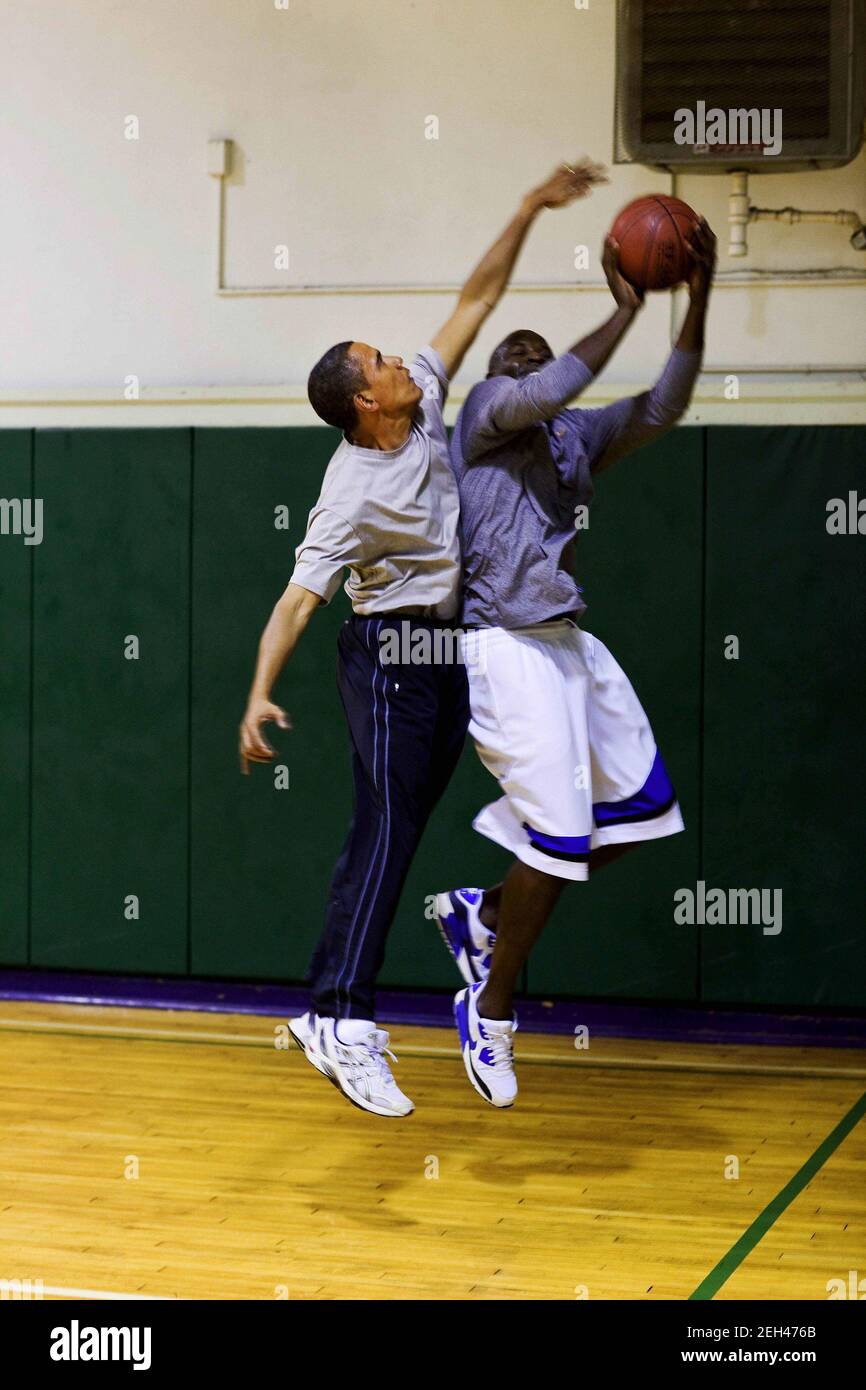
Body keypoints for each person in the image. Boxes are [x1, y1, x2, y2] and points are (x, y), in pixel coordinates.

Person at [238, 159, 607, 1117]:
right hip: (389, 651)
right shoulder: (349, 492)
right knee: (389, 828)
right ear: (367, 402)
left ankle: (360, 992)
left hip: (449, 648)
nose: (403, 360)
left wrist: (527, 206)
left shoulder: (427, 398)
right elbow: (297, 600)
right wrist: (259, 692)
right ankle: (342, 1018)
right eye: (382, 363)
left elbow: (475, 300)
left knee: (390, 829)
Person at [436, 218, 717, 1108]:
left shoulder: (570, 437)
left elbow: (662, 405)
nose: (527, 355)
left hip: (566, 645)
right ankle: (490, 1008)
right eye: (514, 352)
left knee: (633, 818)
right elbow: (556, 382)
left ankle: (485, 908)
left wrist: (698, 297)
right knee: (559, 845)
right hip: (502, 646)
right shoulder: (485, 415)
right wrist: (625, 307)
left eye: (536, 348)